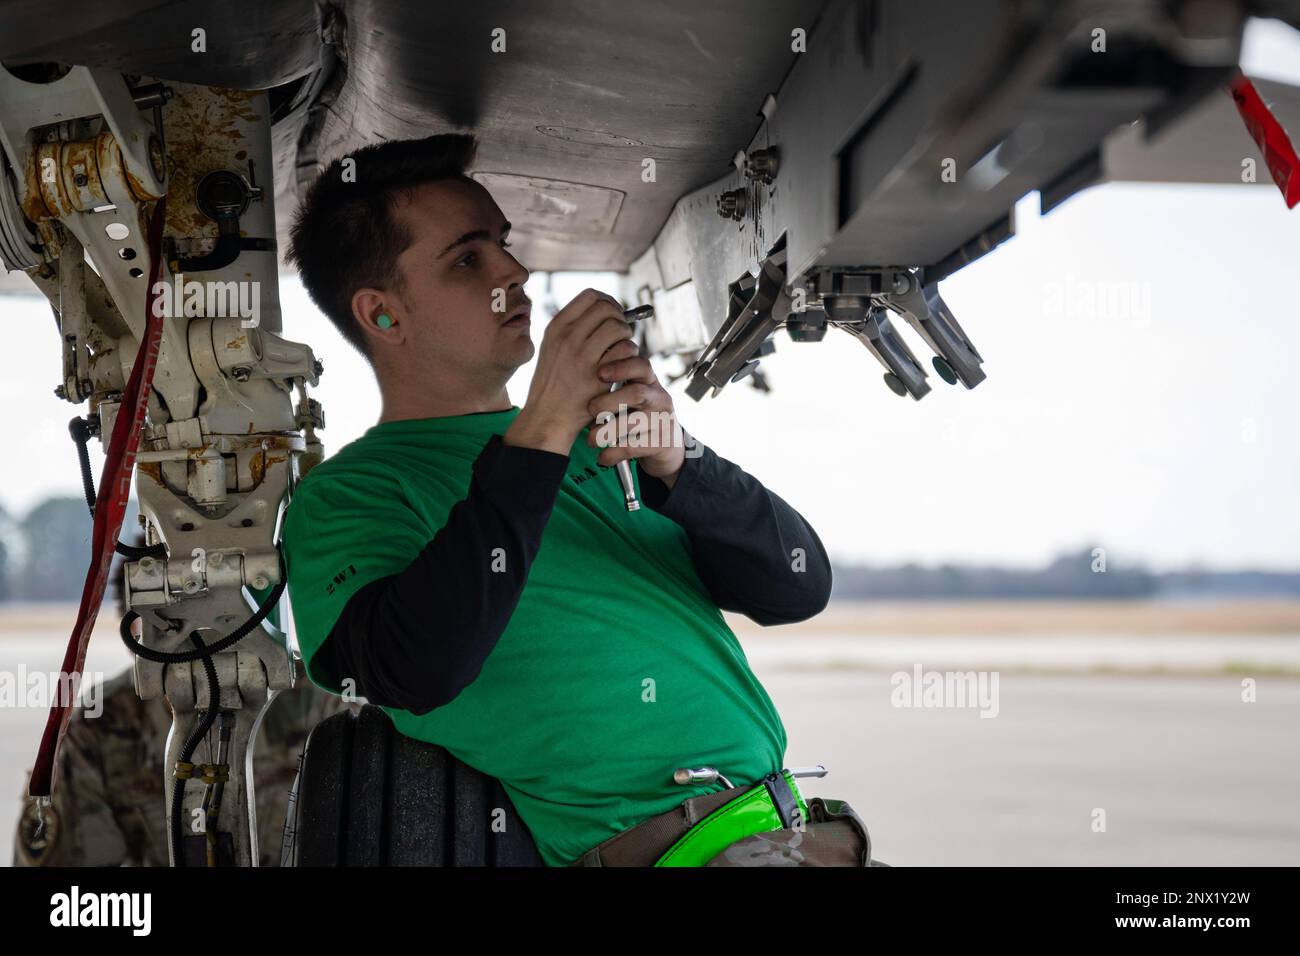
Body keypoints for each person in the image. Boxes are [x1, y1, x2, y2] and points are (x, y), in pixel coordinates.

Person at [281, 133, 869, 866]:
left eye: (503, 243)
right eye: (469, 259)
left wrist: (680, 461)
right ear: (384, 315)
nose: (516, 272)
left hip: (793, 828)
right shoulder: (346, 498)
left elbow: (798, 586)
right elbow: (411, 668)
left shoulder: (601, 437)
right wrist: (542, 433)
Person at [13, 538, 355, 867]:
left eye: (229, 622)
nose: (212, 647)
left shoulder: (321, 706)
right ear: (140, 638)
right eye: (179, 626)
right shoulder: (104, 728)